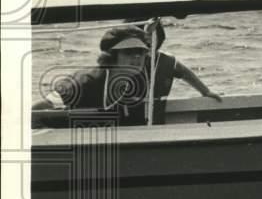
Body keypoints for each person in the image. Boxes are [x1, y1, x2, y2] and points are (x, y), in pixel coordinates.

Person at [32, 23, 221, 125]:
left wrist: (205, 92)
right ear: (113, 56)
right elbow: (38, 109)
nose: (137, 57)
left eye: (141, 52)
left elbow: (180, 69)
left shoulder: (137, 78)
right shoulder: (84, 81)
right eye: (129, 52)